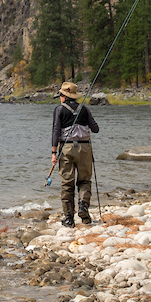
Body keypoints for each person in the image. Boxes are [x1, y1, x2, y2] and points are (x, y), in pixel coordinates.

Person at [51, 80, 99, 227]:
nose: (60, 97)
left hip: (67, 148)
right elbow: (95, 129)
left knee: (67, 183)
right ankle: (83, 207)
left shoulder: (59, 109)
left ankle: (68, 218)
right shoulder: (84, 108)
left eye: (60, 95)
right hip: (85, 149)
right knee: (84, 180)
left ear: (63, 96)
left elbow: (56, 131)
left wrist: (53, 153)